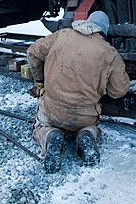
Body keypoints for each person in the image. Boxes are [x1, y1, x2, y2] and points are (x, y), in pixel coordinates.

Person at [27, 11, 130, 173]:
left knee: (40, 125)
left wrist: (39, 81)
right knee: (90, 126)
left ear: (88, 23)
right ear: (104, 30)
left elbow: (32, 52)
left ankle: (50, 135)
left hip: (53, 110)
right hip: (84, 116)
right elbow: (118, 91)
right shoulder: (110, 54)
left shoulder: (62, 35)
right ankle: (86, 134)